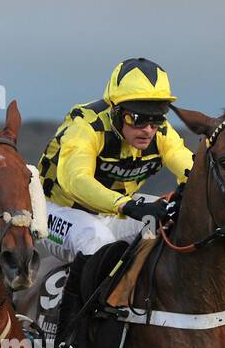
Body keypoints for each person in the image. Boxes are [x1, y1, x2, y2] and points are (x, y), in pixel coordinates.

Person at [35, 58, 193, 264]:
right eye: (137, 118)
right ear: (116, 112)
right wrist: (125, 205)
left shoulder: (161, 133)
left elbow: (189, 168)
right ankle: (76, 297)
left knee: (173, 222)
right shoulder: (86, 127)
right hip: (57, 211)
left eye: (157, 118)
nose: (148, 129)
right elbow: (76, 179)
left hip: (114, 212)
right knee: (98, 241)